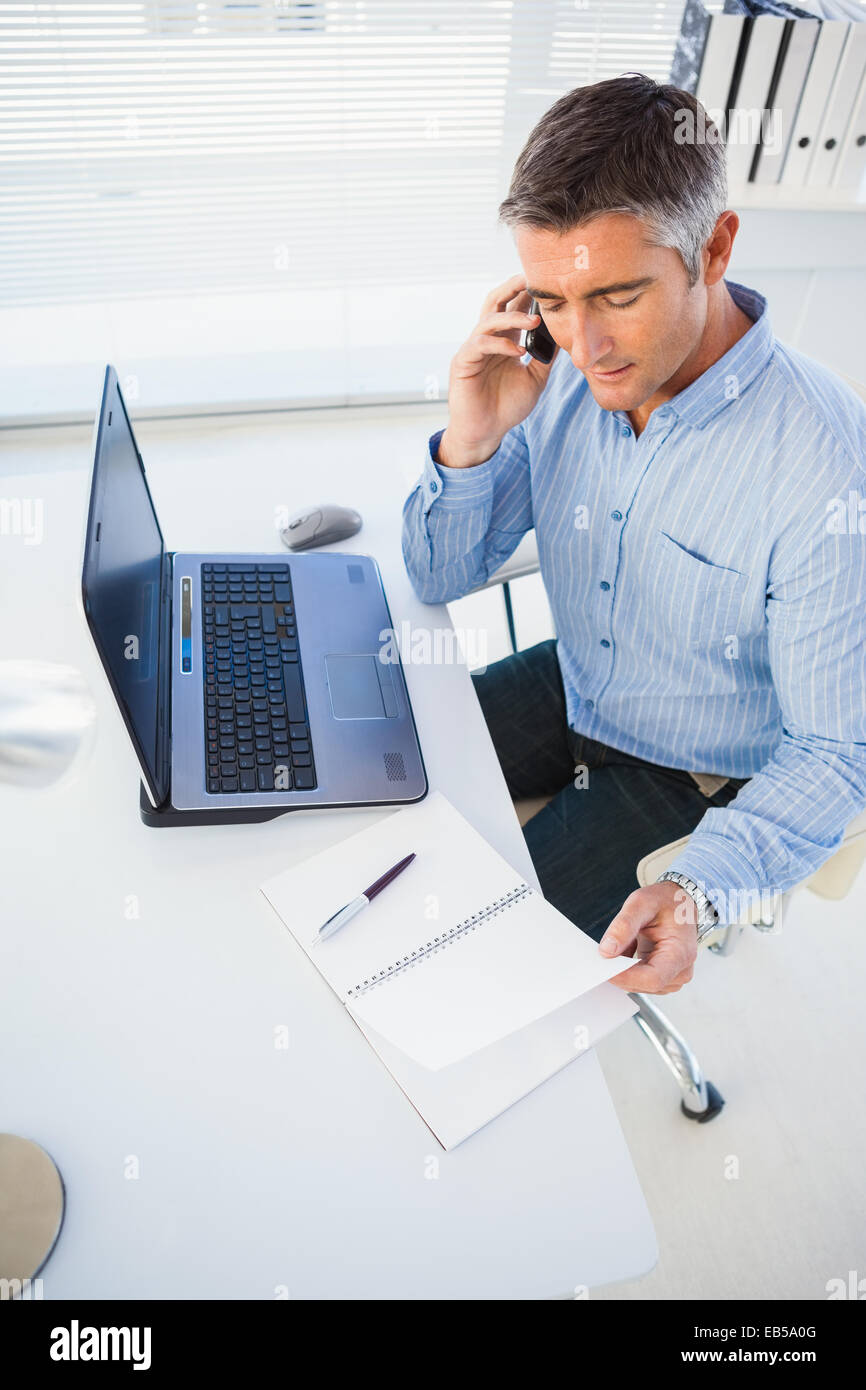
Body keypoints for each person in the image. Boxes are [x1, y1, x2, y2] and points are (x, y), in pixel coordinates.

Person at [400, 73, 866, 997]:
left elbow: (836, 752)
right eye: (553, 300)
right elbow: (440, 569)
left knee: (465, 968)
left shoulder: (825, 470)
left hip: (693, 770)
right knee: (368, 789)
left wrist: (699, 890)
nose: (584, 345)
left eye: (618, 295)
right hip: (574, 677)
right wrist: (474, 437)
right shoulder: (557, 372)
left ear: (716, 245)